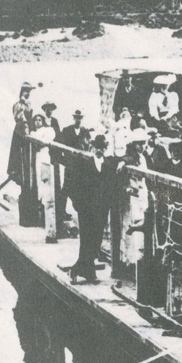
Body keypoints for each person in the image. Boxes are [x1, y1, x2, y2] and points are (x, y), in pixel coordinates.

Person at [67, 134, 120, 284]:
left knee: (96, 241)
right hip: (86, 210)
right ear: (93, 147)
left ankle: (85, 271)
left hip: (101, 210)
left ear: (105, 148)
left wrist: (108, 203)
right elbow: (73, 185)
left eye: (102, 148)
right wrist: (78, 205)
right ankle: (79, 270)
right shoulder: (84, 163)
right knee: (86, 241)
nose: (99, 150)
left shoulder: (109, 165)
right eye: (97, 147)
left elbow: (112, 185)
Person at [30, 114, 57, 242]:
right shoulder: (33, 132)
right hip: (39, 159)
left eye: (39, 120)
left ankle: (51, 232)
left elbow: (46, 141)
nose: (37, 122)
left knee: (48, 194)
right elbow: (35, 142)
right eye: (35, 120)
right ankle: (48, 228)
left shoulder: (48, 130)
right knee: (42, 190)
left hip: (45, 160)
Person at [57, 110, 88, 221]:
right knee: (66, 186)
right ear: (73, 118)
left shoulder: (85, 131)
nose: (78, 120)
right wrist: (64, 159)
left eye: (80, 118)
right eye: (76, 118)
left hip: (81, 165)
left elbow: (88, 146)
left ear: (81, 119)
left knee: (79, 186)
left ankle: (80, 209)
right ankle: (61, 212)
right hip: (70, 164)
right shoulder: (67, 130)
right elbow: (60, 144)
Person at [7, 82, 36, 186]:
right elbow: (20, 118)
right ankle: (17, 173)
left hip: (27, 132)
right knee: (18, 152)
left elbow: (30, 118)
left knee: (27, 153)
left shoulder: (28, 104)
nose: (27, 94)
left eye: (29, 92)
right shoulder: (18, 105)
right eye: (26, 91)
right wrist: (26, 129)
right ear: (22, 92)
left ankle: (26, 176)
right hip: (20, 131)